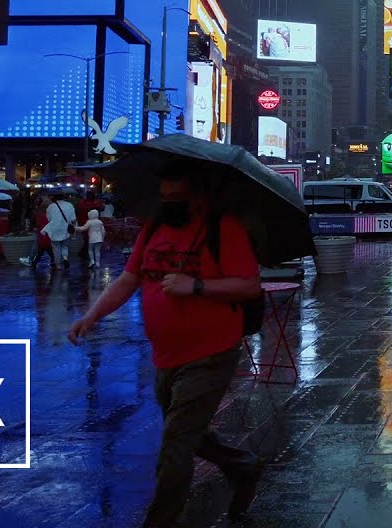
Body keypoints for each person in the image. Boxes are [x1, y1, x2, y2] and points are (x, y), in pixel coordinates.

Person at [68, 163, 265, 527]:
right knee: (188, 432)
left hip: (211, 352)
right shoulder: (154, 228)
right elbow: (128, 280)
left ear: (199, 194)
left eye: (177, 197)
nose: (169, 203)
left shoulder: (224, 229)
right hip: (165, 355)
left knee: (175, 446)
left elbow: (250, 286)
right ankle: (241, 465)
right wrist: (91, 316)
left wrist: (197, 286)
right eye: (164, 197)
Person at [42, 194, 77, 271]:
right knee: (65, 245)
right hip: (66, 229)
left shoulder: (51, 207)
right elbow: (73, 219)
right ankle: (65, 258)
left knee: (56, 247)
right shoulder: (69, 205)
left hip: (55, 229)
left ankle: (58, 265)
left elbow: (49, 219)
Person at [20, 196, 53, 268]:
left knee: (42, 249)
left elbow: (38, 225)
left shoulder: (40, 215)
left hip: (42, 235)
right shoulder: (50, 216)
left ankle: (32, 261)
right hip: (48, 236)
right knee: (45, 250)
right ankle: (33, 262)